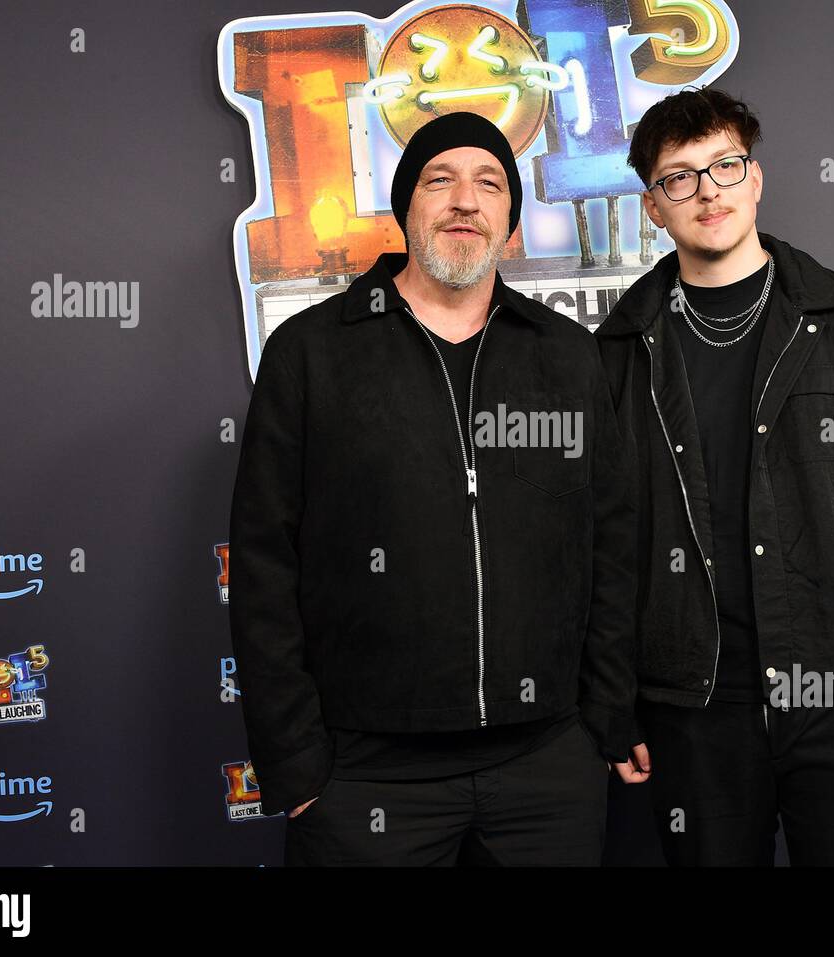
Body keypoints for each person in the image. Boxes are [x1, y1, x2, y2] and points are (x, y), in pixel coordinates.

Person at [228, 111, 637, 866]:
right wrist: (296, 761)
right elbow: (262, 570)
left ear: (509, 217)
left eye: (488, 183)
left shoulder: (567, 357)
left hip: (547, 766)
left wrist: (605, 716)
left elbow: (611, 543)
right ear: (405, 207)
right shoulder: (312, 353)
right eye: (438, 179)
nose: (464, 200)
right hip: (364, 775)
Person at [596, 87, 834, 865]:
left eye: (725, 165)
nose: (709, 191)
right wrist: (613, 698)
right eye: (681, 177)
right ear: (653, 208)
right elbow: (597, 546)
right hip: (693, 714)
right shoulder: (616, 353)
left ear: (757, 178)